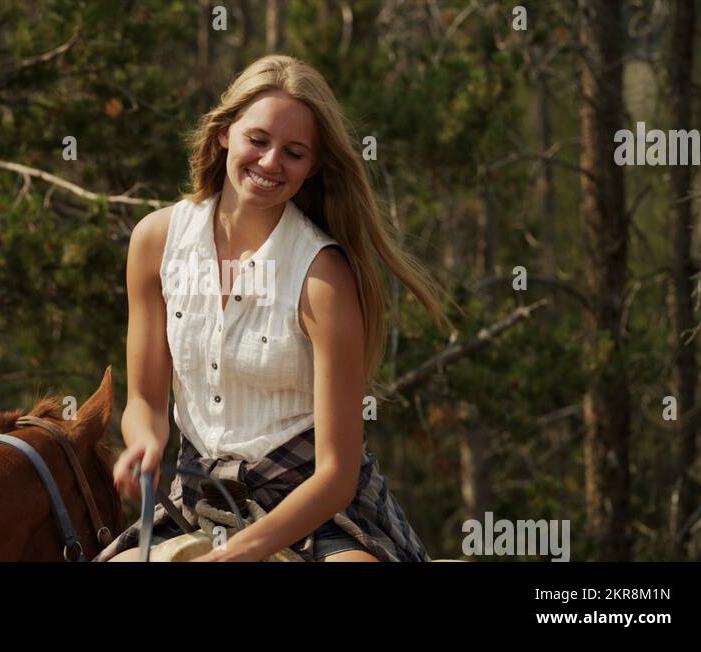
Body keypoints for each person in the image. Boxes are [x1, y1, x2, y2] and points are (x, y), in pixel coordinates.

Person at [100, 55, 453, 562]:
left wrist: (230, 557)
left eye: (294, 152)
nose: (269, 163)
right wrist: (144, 443)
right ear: (224, 133)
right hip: (197, 500)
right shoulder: (155, 241)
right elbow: (147, 403)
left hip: (318, 511)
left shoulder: (322, 277)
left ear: (312, 167)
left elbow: (336, 474)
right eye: (258, 140)